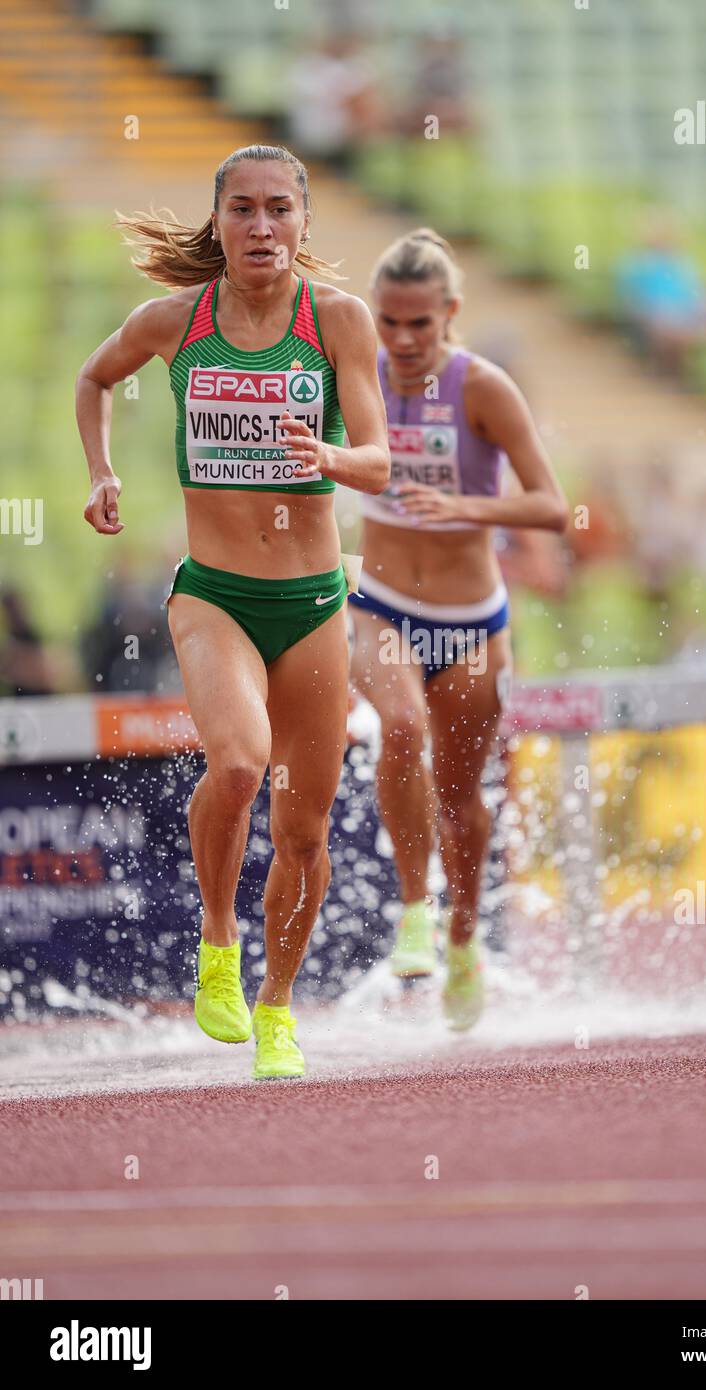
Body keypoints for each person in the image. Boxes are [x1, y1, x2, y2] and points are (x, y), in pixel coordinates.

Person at [75, 144, 389, 1079]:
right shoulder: (176, 321)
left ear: (304, 223)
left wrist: (326, 457)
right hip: (215, 595)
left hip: (314, 602)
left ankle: (279, 1006)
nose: (261, 227)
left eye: (279, 210)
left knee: (305, 830)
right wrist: (102, 472)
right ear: (217, 222)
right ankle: (217, 943)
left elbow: (380, 459)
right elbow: (94, 378)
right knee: (242, 761)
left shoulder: (338, 322)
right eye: (243, 210)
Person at [348, 228, 569, 1030]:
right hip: (380, 603)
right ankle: (415, 913)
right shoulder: (357, 377)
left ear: (451, 314)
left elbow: (551, 505)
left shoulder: (484, 389)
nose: (403, 342)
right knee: (399, 727)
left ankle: (466, 940)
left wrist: (467, 507)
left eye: (420, 325)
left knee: (461, 798)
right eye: (388, 323)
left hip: (472, 622)